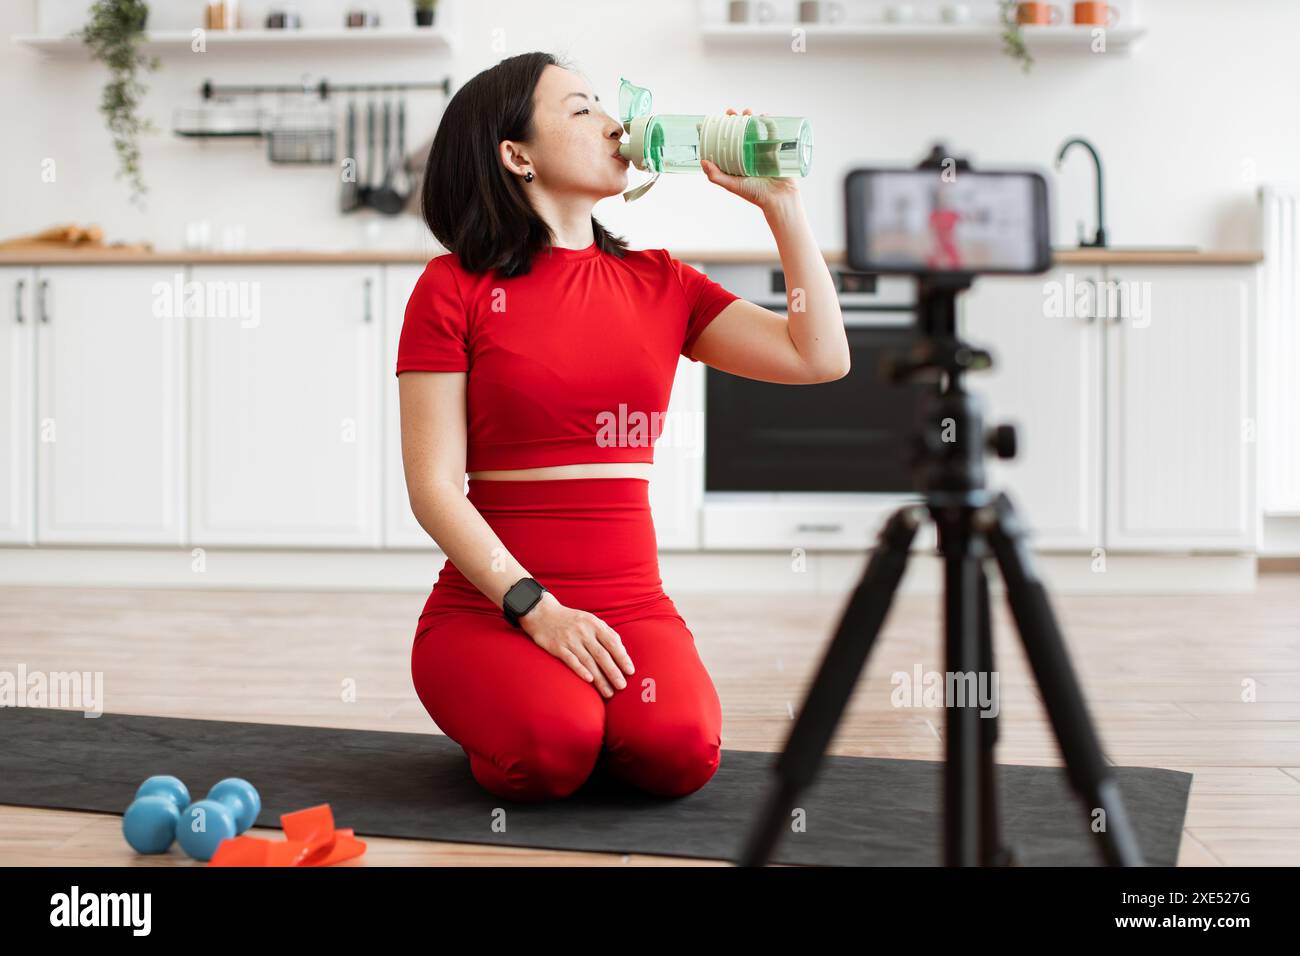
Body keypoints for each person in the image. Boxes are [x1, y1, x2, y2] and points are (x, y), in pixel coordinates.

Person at [398, 52, 849, 802]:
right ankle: (525, 707)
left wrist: (783, 208)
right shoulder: (453, 288)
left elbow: (819, 357)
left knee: (682, 753)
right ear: (516, 156)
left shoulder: (662, 281)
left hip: (631, 604)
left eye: (608, 105)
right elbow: (433, 487)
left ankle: (584, 715)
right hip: (493, 606)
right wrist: (534, 611)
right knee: (554, 751)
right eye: (581, 110)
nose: (615, 123)